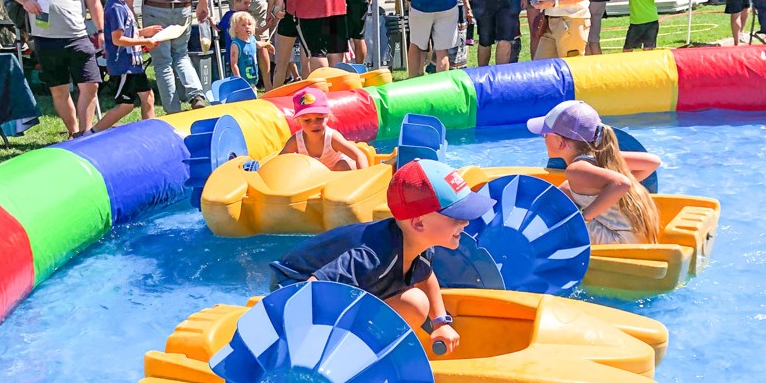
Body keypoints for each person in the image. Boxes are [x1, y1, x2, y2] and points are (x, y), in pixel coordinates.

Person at [268, 158, 497, 354]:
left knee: (415, 303)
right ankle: (353, 355)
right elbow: (311, 291)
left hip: (341, 289)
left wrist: (440, 323)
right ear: (419, 222)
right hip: (293, 287)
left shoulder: (420, 243)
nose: (465, 222)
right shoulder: (371, 258)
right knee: (415, 303)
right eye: (456, 216)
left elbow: (426, 277)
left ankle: (363, 348)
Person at [7, 0, 104, 138]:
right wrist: (24, 1)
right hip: (45, 37)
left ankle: (85, 132)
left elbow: (93, 0)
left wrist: (101, 30)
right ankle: (73, 132)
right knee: (59, 89)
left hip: (78, 35)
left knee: (91, 85)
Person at [528, 100, 661, 245]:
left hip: (620, 241)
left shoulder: (576, 170)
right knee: (565, 190)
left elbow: (621, 183)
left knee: (559, 222)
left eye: (545, 135)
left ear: (560, 142)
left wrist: (584, 217)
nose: (544, 139)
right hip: (641, 236)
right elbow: (652, 162)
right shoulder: (601, 161)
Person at [85, 0, 160, 135]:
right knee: (125, 105)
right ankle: (93, 132)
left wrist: (143, 32)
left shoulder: (122, 4)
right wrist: (144, 42)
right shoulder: (115, 7)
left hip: (133, 64)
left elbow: (127, 32)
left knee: (148, 97)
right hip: (124, 65)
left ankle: (151, 132)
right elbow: (117, 39)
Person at [280, 87, 368, 171]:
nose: (314, 124)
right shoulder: (296, 141)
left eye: (319, 118)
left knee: (341, 166)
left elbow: (359, 155)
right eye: (307, 120)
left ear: (327, 117)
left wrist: (365, 178)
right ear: (298, 121)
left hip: (342, 173)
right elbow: (279, 162)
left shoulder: (332, 138)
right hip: (320, 176)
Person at [229, 11, 275, 88]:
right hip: (241, 82)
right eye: (243, 25)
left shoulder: (252, 39)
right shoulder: (236, 45)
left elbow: (258, 44)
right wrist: (238, 79)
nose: (247, 27)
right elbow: (234, 64)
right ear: (236, 29)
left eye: (249, 24)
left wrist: (267, 44)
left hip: (252, 79)